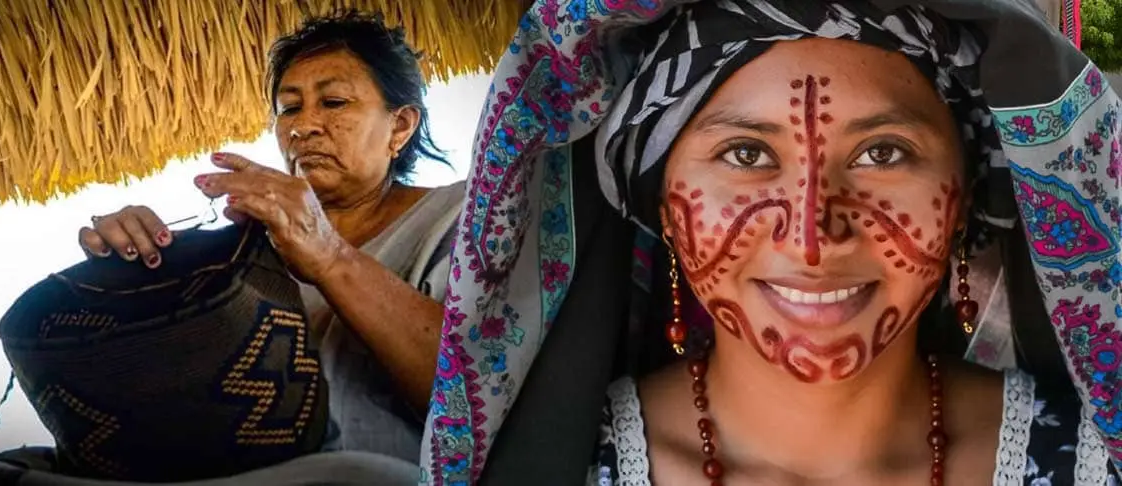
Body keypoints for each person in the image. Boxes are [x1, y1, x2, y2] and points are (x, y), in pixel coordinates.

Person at [420, 0, 1122, 485]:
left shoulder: (1088, 462)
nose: (813, 235)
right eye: (747, 155)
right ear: (660, 201)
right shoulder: (558, 463)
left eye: (882, 153)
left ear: (965, 193)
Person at [78, 10, 460, 465]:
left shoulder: (456, 216)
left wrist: (328, 256)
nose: (302, 126)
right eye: (289, 108)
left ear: (400, 126)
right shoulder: (243, 248)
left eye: (334, 102)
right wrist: (132, 280)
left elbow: (472, 396)